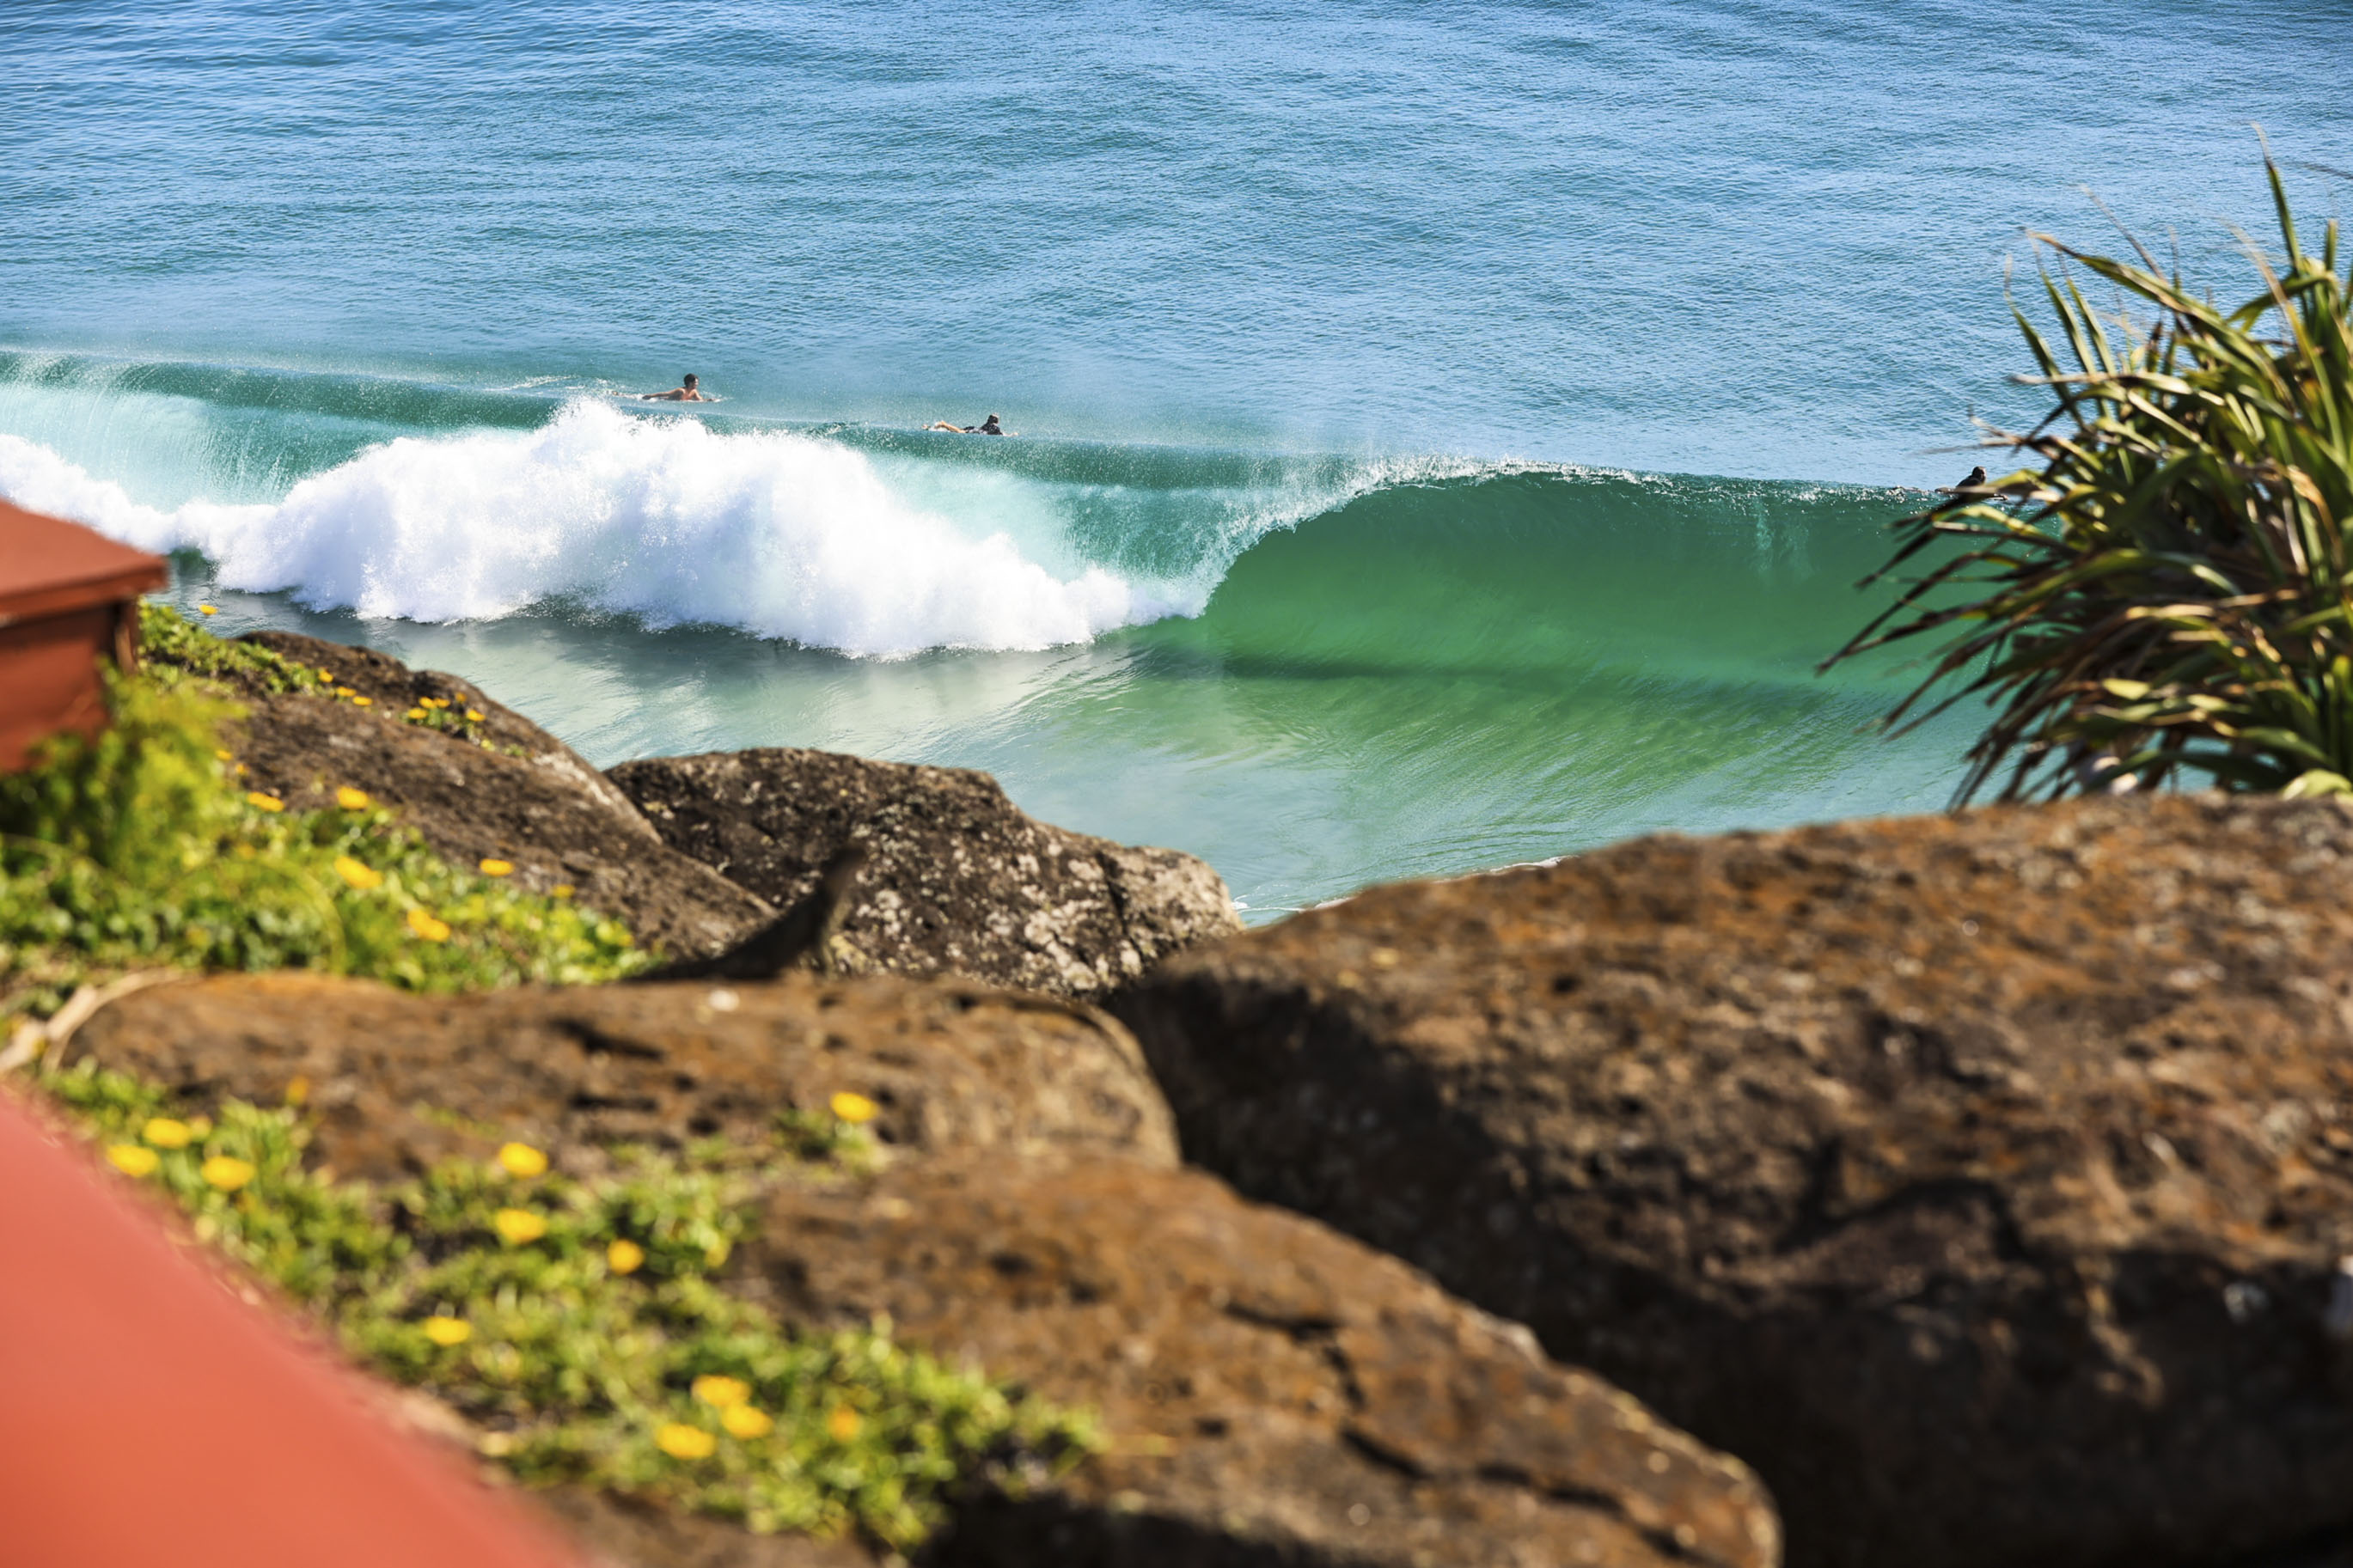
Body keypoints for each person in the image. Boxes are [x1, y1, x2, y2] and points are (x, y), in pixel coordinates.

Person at [640, 374, 707, 402]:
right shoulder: (681, 391)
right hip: (663, 400)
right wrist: (650, 396)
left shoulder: (694, 391)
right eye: (696, 382)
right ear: (690, 383)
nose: (697, 384)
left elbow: (700, 400)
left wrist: (709, 400)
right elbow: (665, 394)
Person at [927, 412, 1006, 436]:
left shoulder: (987, 424)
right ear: (997, 422)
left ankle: (930, 427)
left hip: (973, 428)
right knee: (959, 432)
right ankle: (944, 424)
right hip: (975, 431)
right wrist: (1013, 435)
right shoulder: (996, 428)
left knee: (956, 430)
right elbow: (1003, 435)